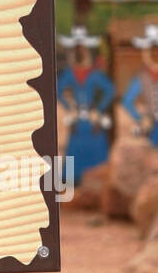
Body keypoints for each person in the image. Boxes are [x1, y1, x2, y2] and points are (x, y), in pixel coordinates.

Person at [57, 25, 115, 184]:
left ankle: (100, 176)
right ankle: (73, 180)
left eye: (82, 48)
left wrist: (98, 107)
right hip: (77, 117)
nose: (79, 52)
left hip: (91, 116)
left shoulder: (94, 74)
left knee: (97, 143)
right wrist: (70, 107)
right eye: (76, 48)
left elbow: (109, 90)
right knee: (75, 145)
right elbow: (59, 89)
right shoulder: (69, 74)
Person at [122, 22, 158, 148]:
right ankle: (59, 167)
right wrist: (141, 118)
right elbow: (126, 101)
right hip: (153, 129)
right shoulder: (142, 77)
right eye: (152, 50)